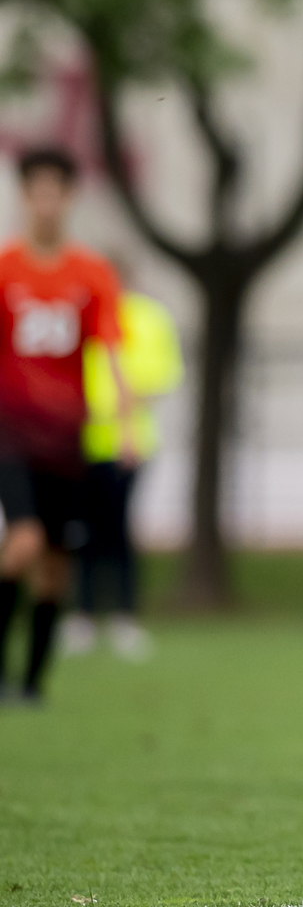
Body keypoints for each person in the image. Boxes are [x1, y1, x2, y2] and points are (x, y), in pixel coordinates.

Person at [0, 146, 134, 705]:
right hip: (11, 432)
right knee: (24, 543)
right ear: (26, 196)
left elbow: (112, 351)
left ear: (70, 198)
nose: (48, 203)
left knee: (54, 568)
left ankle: (31, 684)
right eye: (38, 192)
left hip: (65, 440)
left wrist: (126, 422)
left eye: (57, 192)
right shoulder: (5, 268)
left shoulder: (91, 272)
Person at [63, 264, 182, 660]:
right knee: (81, 533)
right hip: (78, 442)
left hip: (128, 445)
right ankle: (81, 616)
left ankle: (124, 617)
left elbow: (160, 376)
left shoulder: (148, 318)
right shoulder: (79, 317)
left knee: (118, 531)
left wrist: (122, 415)